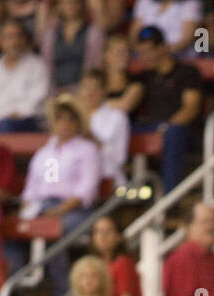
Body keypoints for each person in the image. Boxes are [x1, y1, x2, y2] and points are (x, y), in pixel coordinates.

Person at [13, 95, 102, 296]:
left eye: (71, 119)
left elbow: (86, 190)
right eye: (61, 118)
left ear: (78, 122)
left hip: (76, 210)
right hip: (42, 206)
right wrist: (28, 209)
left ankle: (61, 293)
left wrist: (59, 211)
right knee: (15, 228)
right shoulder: (44, 153)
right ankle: (20, 289)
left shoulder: (87, 149)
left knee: (54, 230)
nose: (65, 124)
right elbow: (31, 190)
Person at [126, 26, 204, 190]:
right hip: (151, 126)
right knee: (121, 129)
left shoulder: (187, 72)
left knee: (173, 133)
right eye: (141, 52)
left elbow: (191, 108)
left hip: (182, 130)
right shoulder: (145, 76)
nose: (145, 57)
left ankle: (169, 197)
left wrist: (166, 127)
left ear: (163, 47)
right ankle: (125, 193)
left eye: (149, 51)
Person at [0, 18, 52, 132]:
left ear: (25, 39)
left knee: (6, 125)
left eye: (18, 36)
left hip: (26, 123)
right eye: (8, 37)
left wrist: (1, 120)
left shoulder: (37, 66)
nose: (14, 42)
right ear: (1, 42)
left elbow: (36, 103)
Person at [90, 212, 145, 296]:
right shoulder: (96, 264)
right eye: (98, 231)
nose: (102, 236)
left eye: (108, 231)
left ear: (119, 236)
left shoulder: (123, 262)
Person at [38, 0, 106, 93]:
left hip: (85, 91)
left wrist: (80, 89)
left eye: (74, 2)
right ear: (59, 6)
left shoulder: (94, 33)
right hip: (55, 90)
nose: (70, 6)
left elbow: (94, 66)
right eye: (66, 3)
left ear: (82, 5)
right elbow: (46, 66)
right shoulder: (50, 34)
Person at [78, 69, 130, 184]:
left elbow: (119, 158)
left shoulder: (118, 117)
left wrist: (93, 139)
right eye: (86, 87)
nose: (90, 93)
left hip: (103, 175)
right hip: (69, 177)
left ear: (104, 91)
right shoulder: (70, 119)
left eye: (95, 88)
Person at [128, 0, 204, 54]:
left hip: (179, 57)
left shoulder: (190, 3)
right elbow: (133, 37)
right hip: (146, 56)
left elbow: (188, 38)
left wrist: (161, 53)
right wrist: (145, 53)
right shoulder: (144, 2)